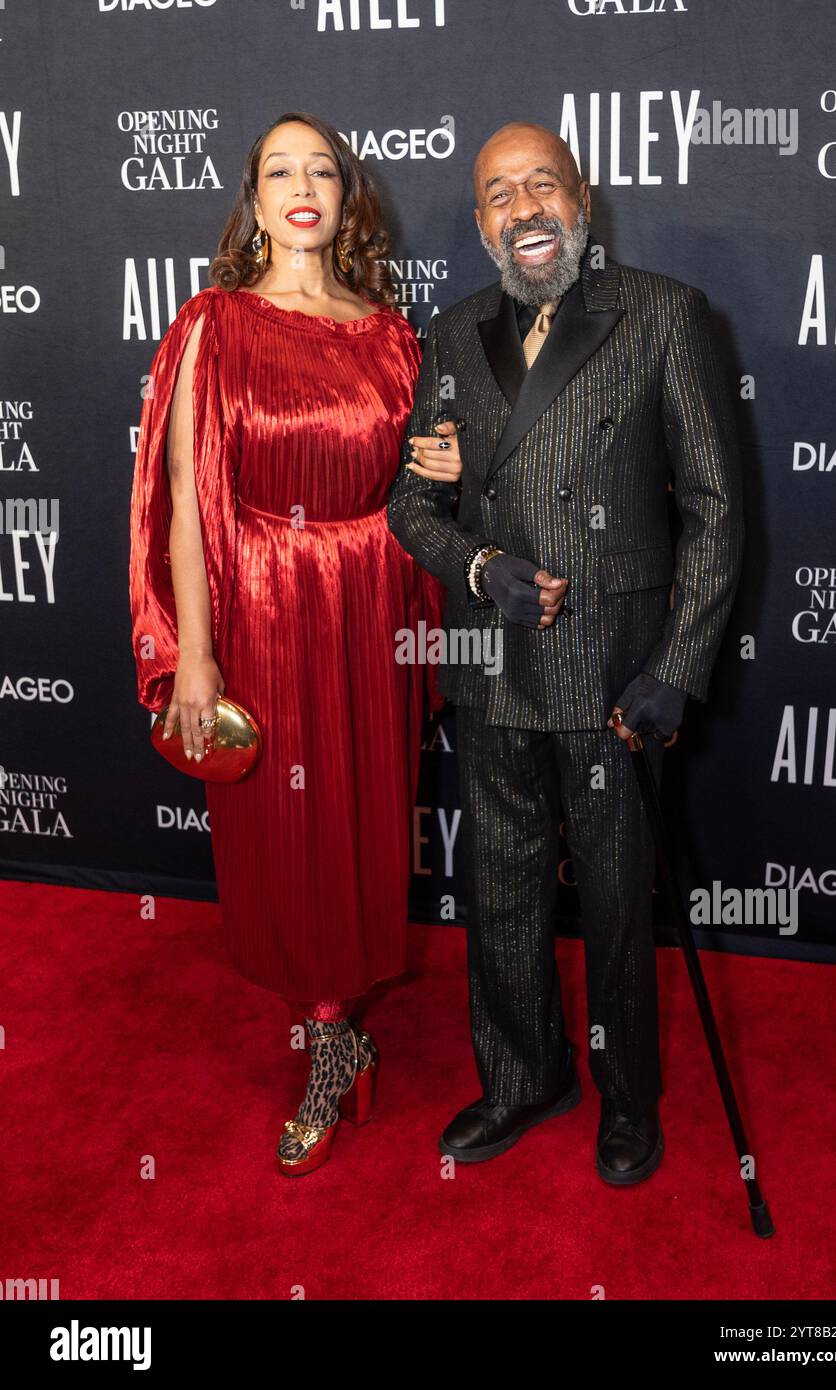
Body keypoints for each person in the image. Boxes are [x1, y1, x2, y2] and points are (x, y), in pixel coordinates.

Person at [388, 121, 744, 1185]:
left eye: (540, 183)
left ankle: (628, 1098)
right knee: (496, 893)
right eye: (499, 194)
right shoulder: (452, 334)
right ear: (480, 219)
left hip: (613, 683)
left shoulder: (661, 315)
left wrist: (676, 665)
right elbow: (412, 502)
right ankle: (520, 1079)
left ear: (579, 196)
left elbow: (716, 512)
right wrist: (479, 557)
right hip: (493, 671)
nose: (523, 208)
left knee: (617, 899)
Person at [129, 111, 462, 1177]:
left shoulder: (388, 332)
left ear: (347, 194)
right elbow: (187, 501)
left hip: (372, 606)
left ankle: (341, 1023)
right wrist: (194, 650)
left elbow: (418, 487)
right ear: (253, 197)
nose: (303, 184)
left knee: (363, 822)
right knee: (286, 833)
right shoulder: (213, 323)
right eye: (281, 169)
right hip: (265, 605)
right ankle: (327, 1033)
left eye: (321, 167)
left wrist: (445, 475)